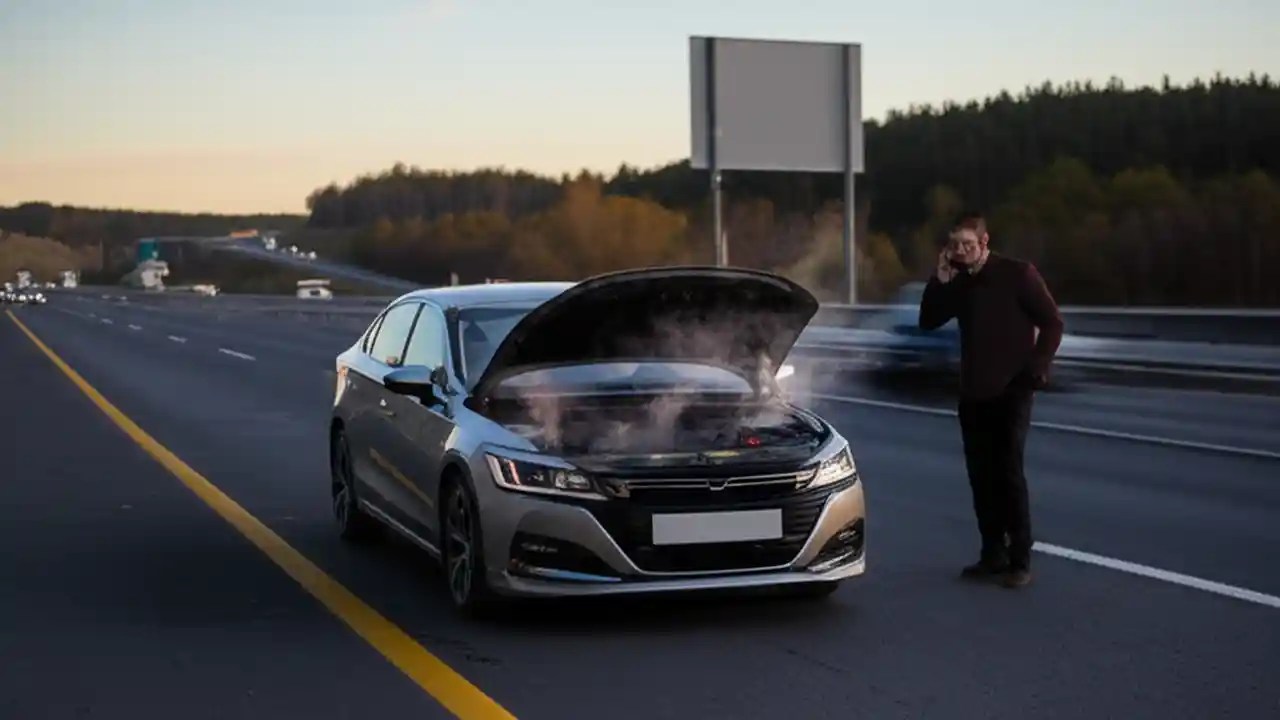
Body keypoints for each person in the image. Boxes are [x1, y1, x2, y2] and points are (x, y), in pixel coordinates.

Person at [918, 211, 1063, 589]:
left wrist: (1037, 367)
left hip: (1012, 390)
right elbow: (928, 321)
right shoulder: (960, 281)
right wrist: (940, 280)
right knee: (980, 476)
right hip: (973, 391)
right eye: (954, 246)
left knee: (1008, 473)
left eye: (968, 244)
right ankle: (991, 553)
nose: (961, 251)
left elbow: (1052, 322)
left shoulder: (1018, 274)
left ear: (984, 242)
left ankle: (1020, 560)